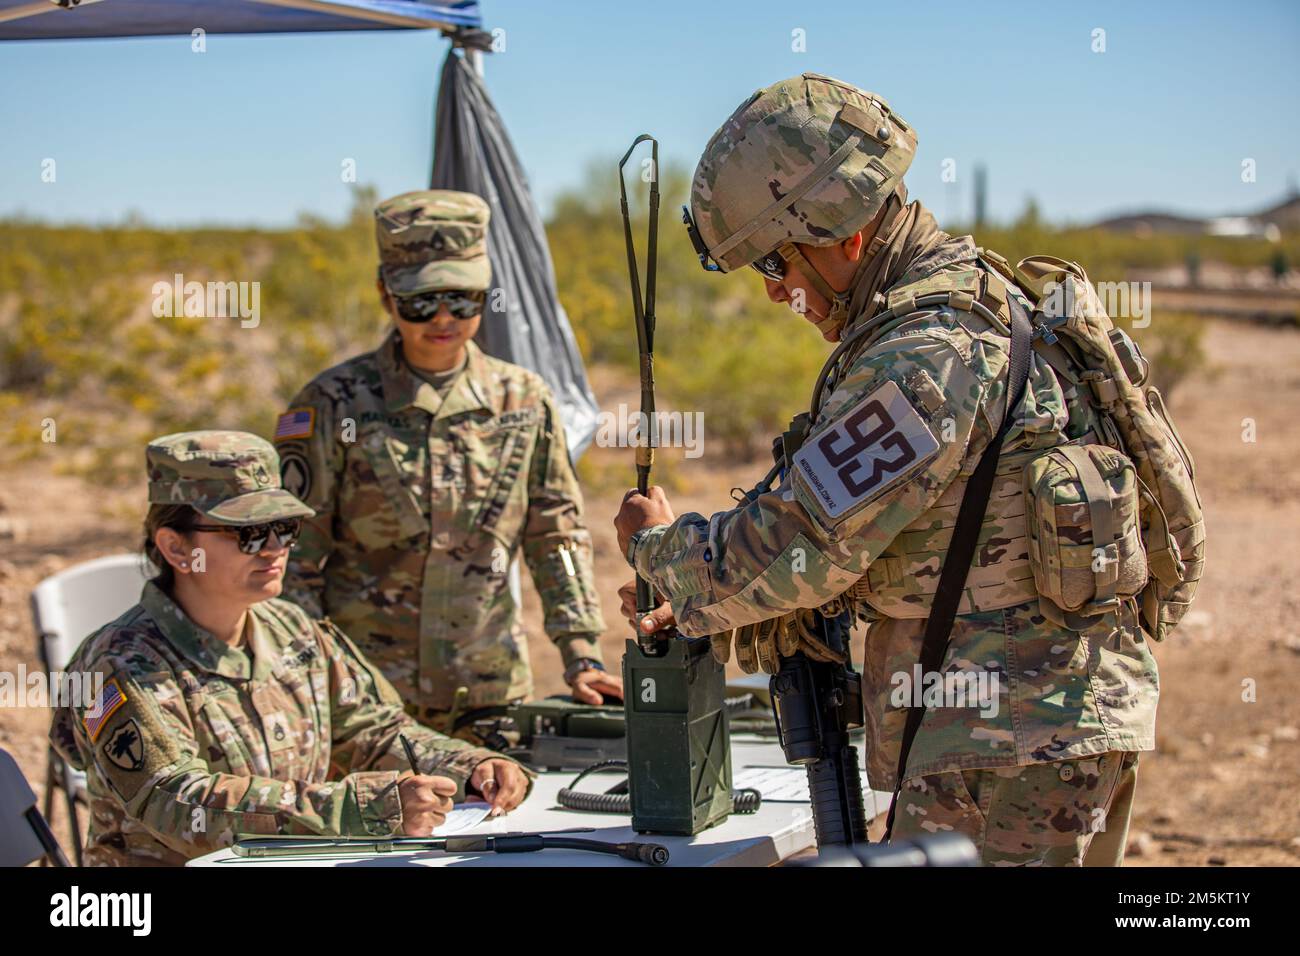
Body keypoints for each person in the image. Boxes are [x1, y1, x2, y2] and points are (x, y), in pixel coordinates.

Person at [614, 73, 1160, 866]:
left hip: (1009, 740)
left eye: (776, 262)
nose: (775, 294)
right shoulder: (962, 307)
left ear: (846, 236)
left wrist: (659, 549)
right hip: (1027, 725)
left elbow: (802, 545)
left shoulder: (930, 354)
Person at [50, 431, 529, 866]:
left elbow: (373, 730)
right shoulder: (120, 664)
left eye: (284, 529)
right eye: (248, 533)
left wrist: (470, 767)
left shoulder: (293, 630)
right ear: (177, 549)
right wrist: (357, 809)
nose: (274, 548)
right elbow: (179, 803)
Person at [275, 189, 619, 737]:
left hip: (488, 698)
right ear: (385, 296)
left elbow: (556, 535)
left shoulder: (524, 400)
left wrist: (582, 654)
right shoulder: (334, 403)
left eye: (462, 300)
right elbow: (292, 560)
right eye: (421, 301)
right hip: (367, 709)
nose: (443, 318)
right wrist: (312, 678)